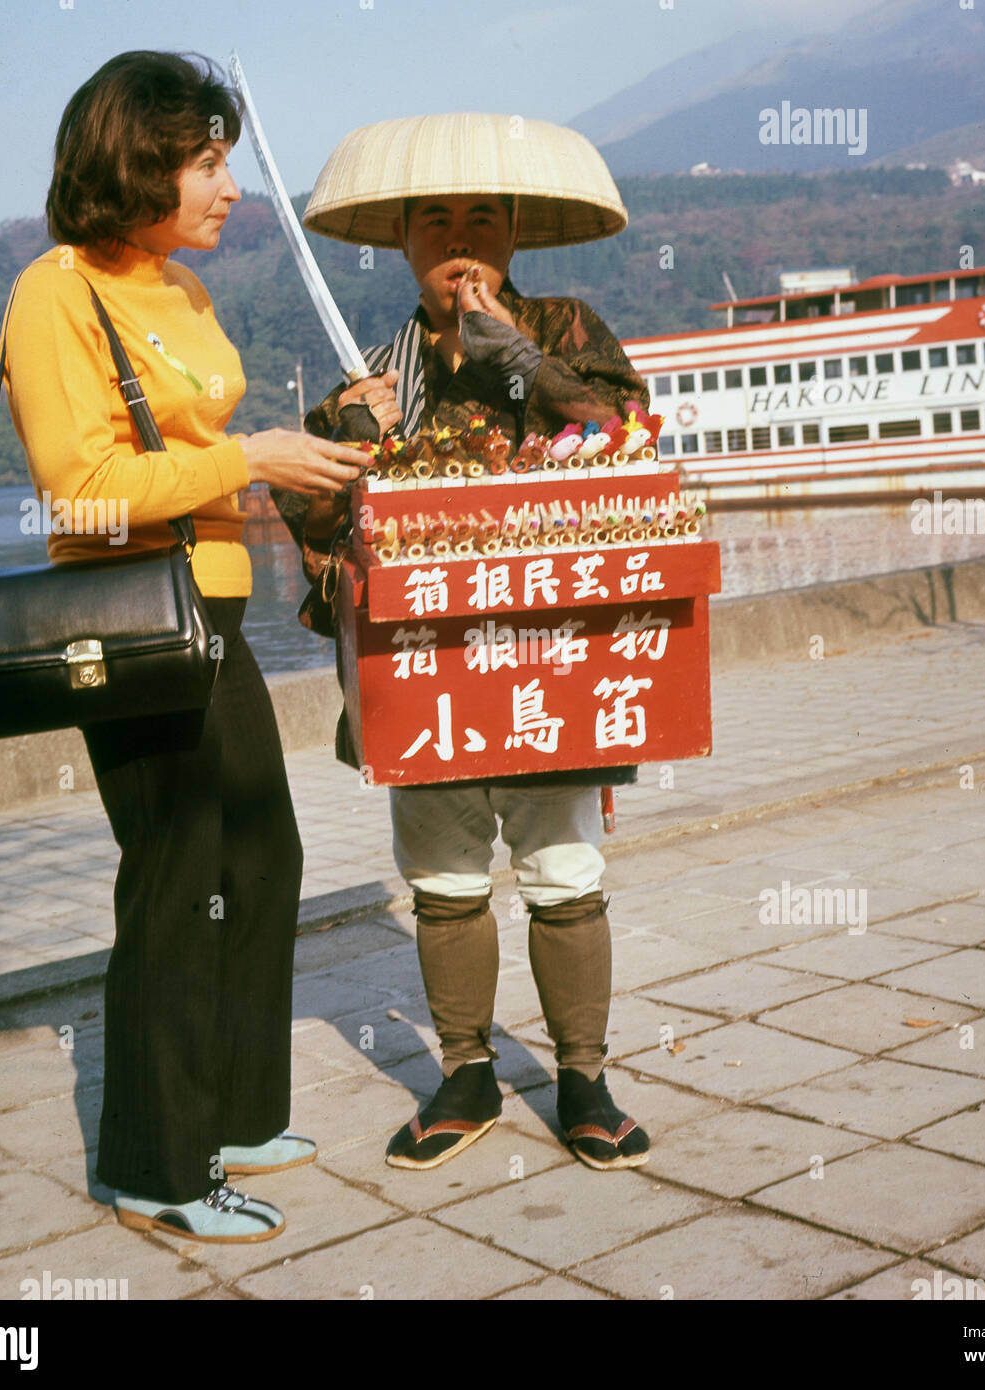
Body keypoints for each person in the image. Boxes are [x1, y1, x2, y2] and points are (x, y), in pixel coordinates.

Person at [1, 51, 369, 1241]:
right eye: (206, 164)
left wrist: (308, 463)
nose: (230, 189)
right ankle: (155, 1162)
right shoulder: (56, 293)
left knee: (262, 852)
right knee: (176, 876)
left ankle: (237, 1110)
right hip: (125, 620)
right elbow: (82, 492)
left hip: (214, 603)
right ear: (137, 161)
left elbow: (207, 457)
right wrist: (251, 458)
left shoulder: (184, 289)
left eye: (224, 161)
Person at [273, 115, 652, 1171]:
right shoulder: (372, 369)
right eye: (434, 218)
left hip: (547, 653)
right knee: (440, 877)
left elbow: (626, 437)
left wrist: (520, 364)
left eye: (482, 216)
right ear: (400, 238)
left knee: (563, 863)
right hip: (425, 664)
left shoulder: (566, 325)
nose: (460, 238)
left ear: (515, 232)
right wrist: (342, 448)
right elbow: (308, 531)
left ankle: (583, 1078)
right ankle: (464, 1072)